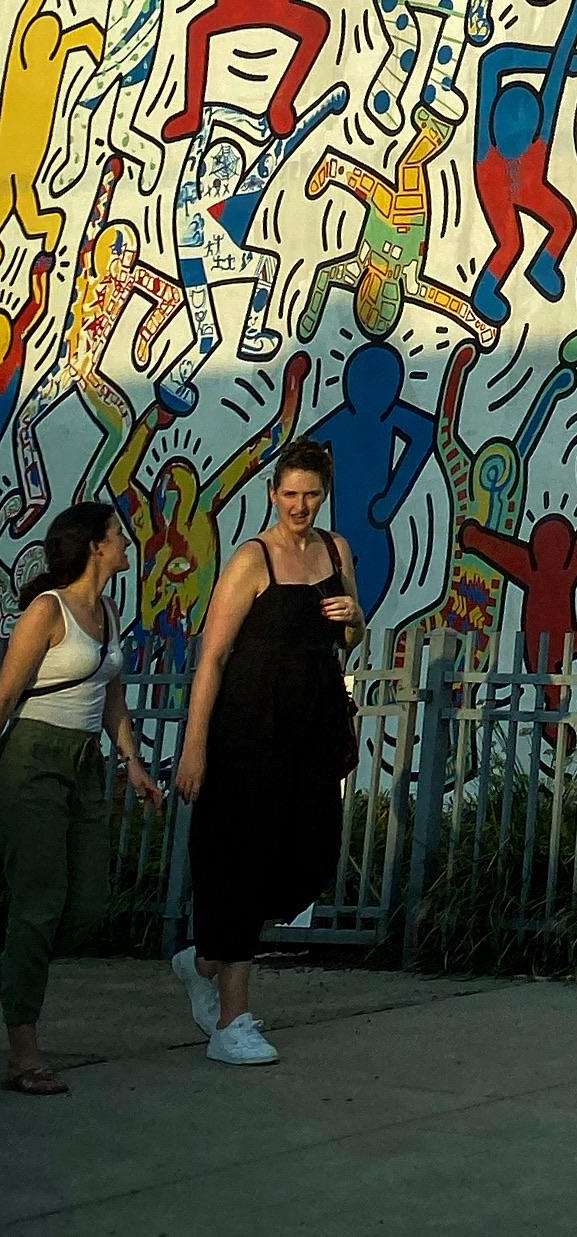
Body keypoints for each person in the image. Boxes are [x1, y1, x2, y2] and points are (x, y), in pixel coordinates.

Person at [172, 439, 359, 1067]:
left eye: (310, 494)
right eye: (289, 494)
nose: (299, 505)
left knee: (308, 859)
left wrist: (355, 616)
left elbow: (347, 638)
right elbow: (214, 655)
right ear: (272, 494)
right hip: (250, 726)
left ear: (323, 494)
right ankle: (233, 1019)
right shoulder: (253, 559)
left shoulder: (337, 551)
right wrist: (195, 745)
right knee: (242, 861)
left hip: (314, 725)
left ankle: (204, 959)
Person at [0, 501, 163, 1097]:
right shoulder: (48, 610)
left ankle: (16, 970)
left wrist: (134, 763)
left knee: (86, 906)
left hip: (86, 764)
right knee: (38, 905)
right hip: (34, 759)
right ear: (96, 545)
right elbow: (6, 693)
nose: (127, 541)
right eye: (119, 534)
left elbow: (112, 695)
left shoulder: (110, 611)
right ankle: (23, 1052)